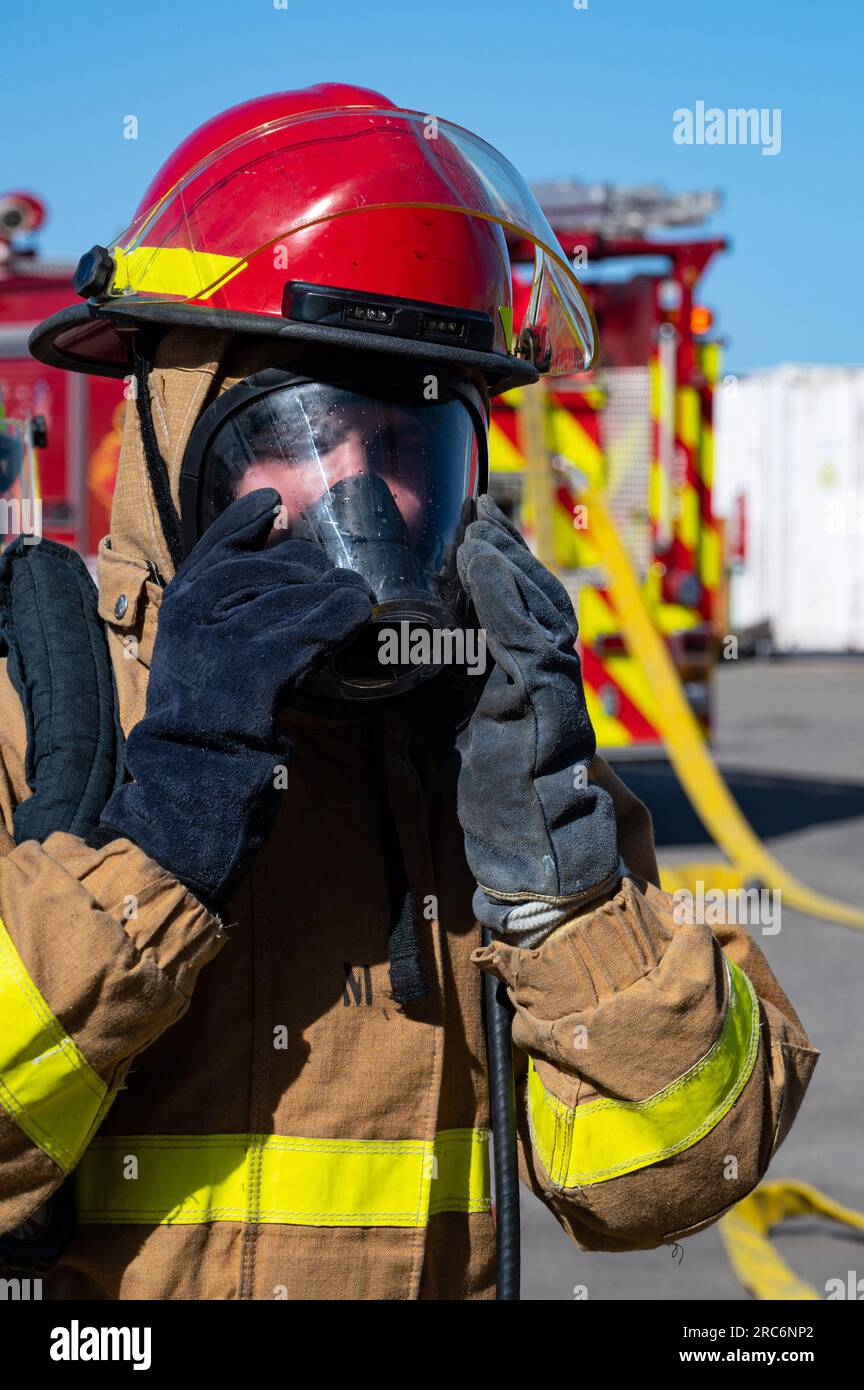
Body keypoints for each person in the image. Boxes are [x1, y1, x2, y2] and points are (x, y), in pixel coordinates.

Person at [0, 85, 817, 1300]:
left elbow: (673, 1178)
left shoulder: (495, 765)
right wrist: (158, 840)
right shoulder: (37, 718)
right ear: (177, 431)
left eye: (408, 443)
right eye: (298, 429)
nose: (359, 502)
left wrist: (566, 897)